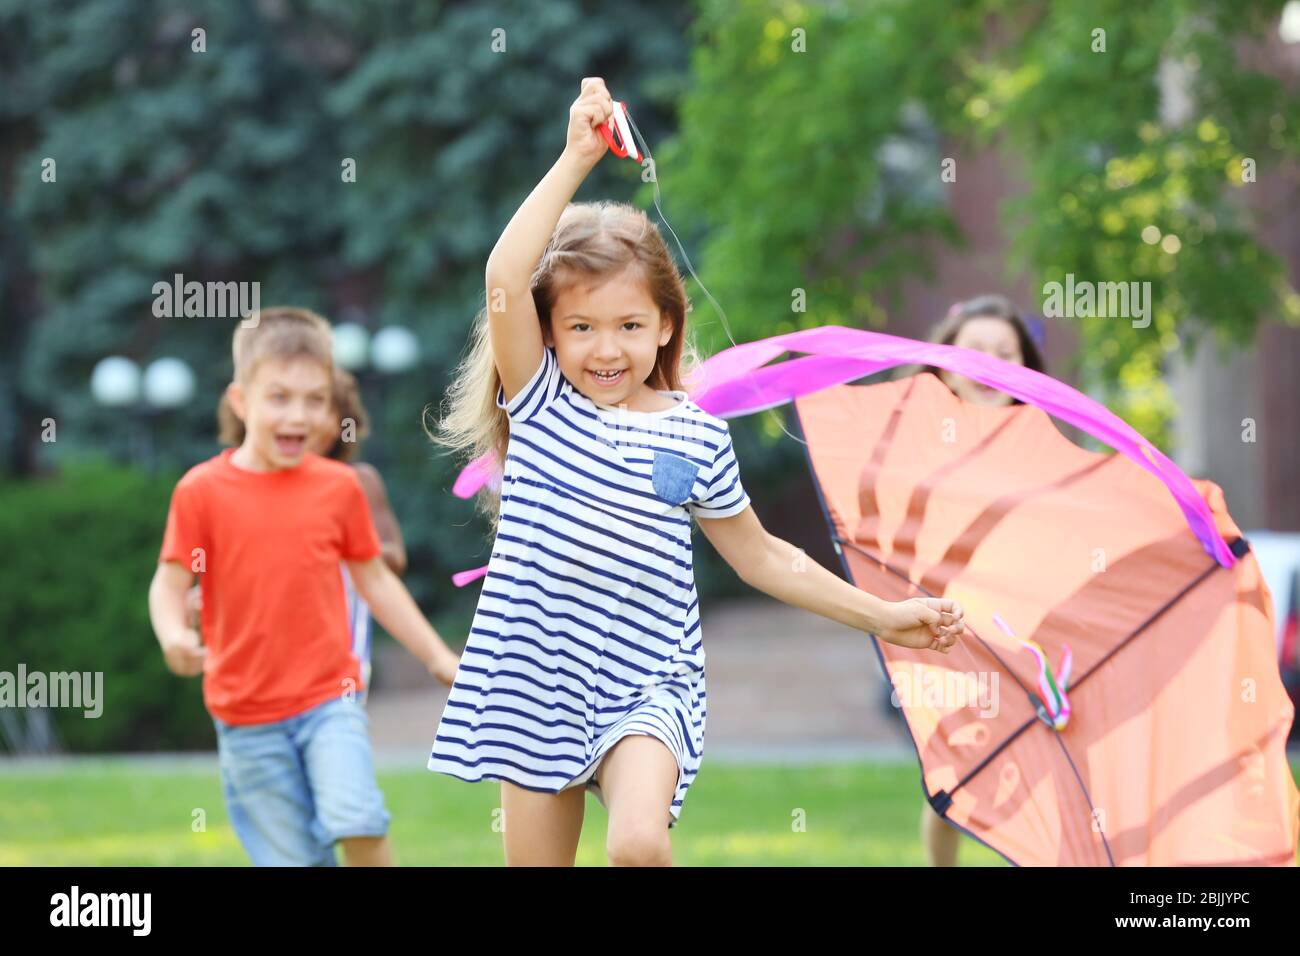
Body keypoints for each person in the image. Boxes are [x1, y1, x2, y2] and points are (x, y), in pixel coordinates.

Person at [425, 77, 965, 867]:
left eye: (629, 325)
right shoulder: (538, 403)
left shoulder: (694, 433)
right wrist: (577, 156)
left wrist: (881, 617)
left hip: (650, 680)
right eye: (580, 327)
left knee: (638, 845)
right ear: (548, 334)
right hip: (536, 674)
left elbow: (763, 555)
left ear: (666, 325)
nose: (606, 349)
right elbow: (506, 278)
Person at [148, 306, 460, 866]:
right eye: (279, 398)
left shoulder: (339, 490)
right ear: (241, 402)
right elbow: (169, 582)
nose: (300, 415)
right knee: (294, 860)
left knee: (358, 817)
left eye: (316, 401)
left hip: (328, 700)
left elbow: (376, 584)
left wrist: (438, 657)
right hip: (244, 715)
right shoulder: (201, 492)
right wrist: (173, 633)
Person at [913, 293, 1046, 867]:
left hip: (1027, 634)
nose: (991, 365)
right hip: (942, 633)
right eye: (976, 352)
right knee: (951, 781)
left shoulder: (1044, 449)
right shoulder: (914, 443)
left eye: (1005, 353)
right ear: (943, 364)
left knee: (1036, 776)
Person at [210, 366, 407, 695]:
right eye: (282, 405)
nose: (300, 420)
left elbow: (395, 558)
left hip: (341, 659)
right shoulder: (245, 489)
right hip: (262, 662)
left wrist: (345, 551)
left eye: (321, 408)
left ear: (343, 423)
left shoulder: (357, 481)